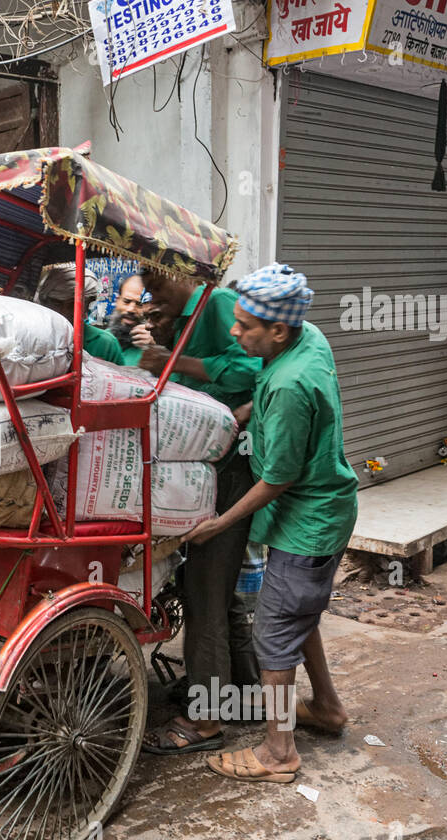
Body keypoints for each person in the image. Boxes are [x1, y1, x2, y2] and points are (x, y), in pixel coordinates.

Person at [181, 264, 357, 784]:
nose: (234, 333)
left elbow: (276, 479)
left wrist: (217, 524)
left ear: (278, 330)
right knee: (299, 617)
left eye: (245, 327)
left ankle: (279, 752)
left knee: (274, 637)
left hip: (310, 522)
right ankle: (326, 707)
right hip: (318, 515)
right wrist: (242, 412)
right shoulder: (309, 340)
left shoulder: (287, 384)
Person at [135, 274, 264, 754]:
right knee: (215, 588)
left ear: (185, 271)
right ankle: (244, 694)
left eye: (157, 278)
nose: (153, 291)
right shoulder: (180, 319)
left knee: (207, 590)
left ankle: (206, 721)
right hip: (201, 474)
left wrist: (175, 360)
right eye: (145, 282)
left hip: (230, 471)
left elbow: (250, 372)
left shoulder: (220, 305)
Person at [34, 263, 125, 364]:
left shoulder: (105, 344)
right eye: (57, 303)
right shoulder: (32, 334)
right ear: (45, 302)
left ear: (88, 304)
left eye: (73, 304)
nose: (64, 311)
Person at [107, 273, 146, 347]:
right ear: (117, 300)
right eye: (126, 301)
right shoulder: (101, 341)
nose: (131, 309)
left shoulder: (153, 349)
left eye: (140, 304)